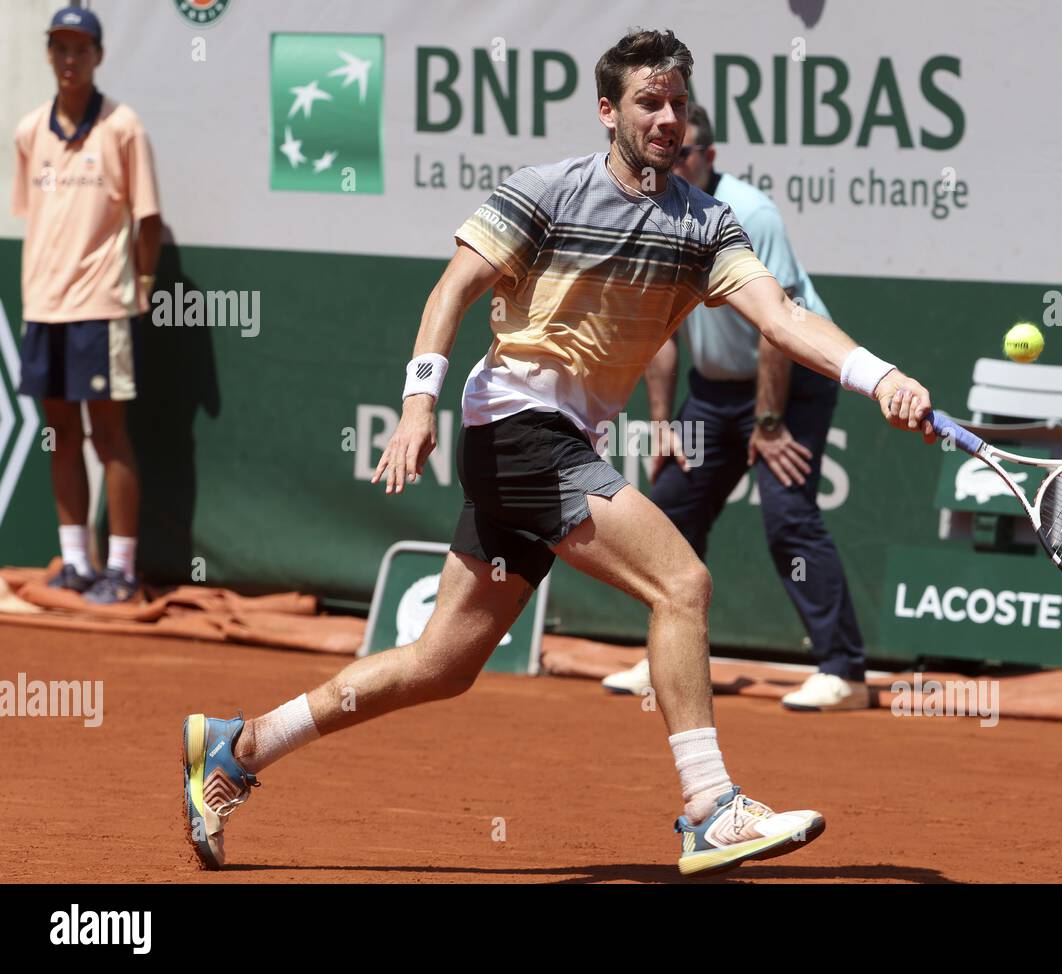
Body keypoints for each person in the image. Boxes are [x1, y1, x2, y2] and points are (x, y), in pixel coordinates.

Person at [181, 28, 934, 878]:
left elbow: (784, 321)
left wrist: (882, 377)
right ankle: (710, 806)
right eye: (649, 102)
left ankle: (236, 748)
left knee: (443, 664)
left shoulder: (706, 225)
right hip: (516, 427)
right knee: (682, 583)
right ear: (609, 109)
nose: (667, 118)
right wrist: (417, 402)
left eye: (679, 103)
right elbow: (452, 290)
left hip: (556, 443)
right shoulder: (543, 192)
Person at [601, 104, 871, 711]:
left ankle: (845, 672)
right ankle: (666, 660)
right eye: (663, 149)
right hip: (716, 390)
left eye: (685, 150)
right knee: (667, 513)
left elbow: (783, 324)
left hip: (789, 384)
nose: (673, 158)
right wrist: (665, 425)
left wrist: (770, 423)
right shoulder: (656, 213)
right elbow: (658, 333)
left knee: (788, 517)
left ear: (709, 157)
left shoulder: (750, 214)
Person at [12, 7, 160, 603]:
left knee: (109, 436)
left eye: (80, 49)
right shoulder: (28, 132)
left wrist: (144, 282)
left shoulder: (124, 127)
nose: (68, 59)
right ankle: (75, 560)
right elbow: (38, 219)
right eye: (59, 48)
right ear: (49, 55)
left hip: (100, 307)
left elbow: (148, 219)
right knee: (60, 432)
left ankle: (121, 569)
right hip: (42, 308)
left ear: (97, 56)